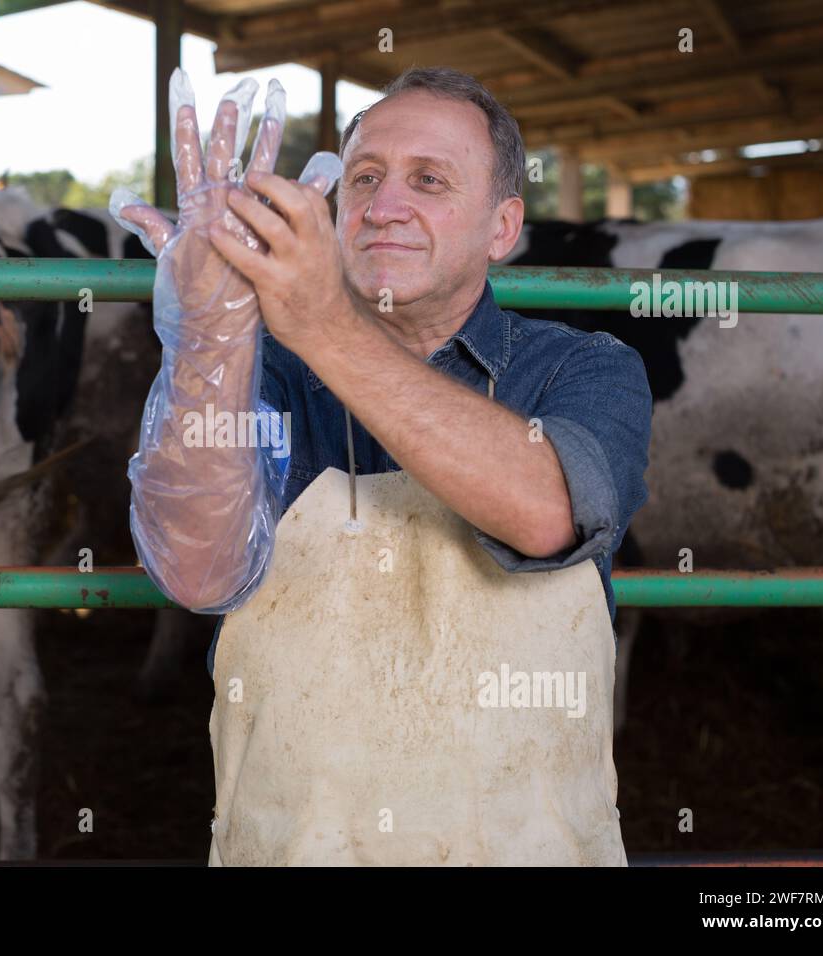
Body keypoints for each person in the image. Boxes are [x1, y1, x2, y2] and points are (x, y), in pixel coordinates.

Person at [111, 66, 652, 866]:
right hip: (298, 847)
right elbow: (196, 571)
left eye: (429, 180)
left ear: (502, 229)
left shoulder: (584, 370)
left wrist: (320, 321)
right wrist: (211, 340)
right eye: (364, 178)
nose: (383, 206)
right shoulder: (259, 372)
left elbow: (546, 510)